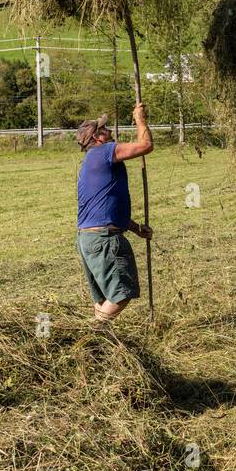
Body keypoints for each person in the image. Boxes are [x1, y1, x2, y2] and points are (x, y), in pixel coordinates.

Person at [74, 104, 153, 324]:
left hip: (89, 239)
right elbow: (146, 145)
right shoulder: (103, 152)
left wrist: (137, 229)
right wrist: (139, 119)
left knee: (103, 302)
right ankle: (90, 336)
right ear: (98, 138)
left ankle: (100, 346)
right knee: (122, 293)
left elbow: (106, 207)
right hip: (103, 241)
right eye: (105, 128)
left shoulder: (92, 161)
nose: (109, 130)